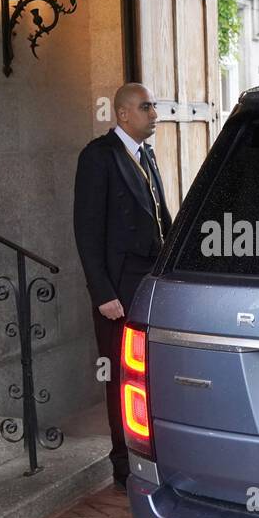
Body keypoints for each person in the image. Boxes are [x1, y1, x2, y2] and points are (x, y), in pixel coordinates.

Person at [73, 83, 174, 491]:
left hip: (149, 283)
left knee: (149, 374)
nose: (154, 113)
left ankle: (151, 455)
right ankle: (122, 465)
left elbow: (161, 218)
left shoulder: (145, 155)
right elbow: (86, 230)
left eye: (154, 106)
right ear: (122, 114)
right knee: (119, 377)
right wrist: (103, 294)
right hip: (119, 288)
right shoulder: (98, 158)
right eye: (146, 106)